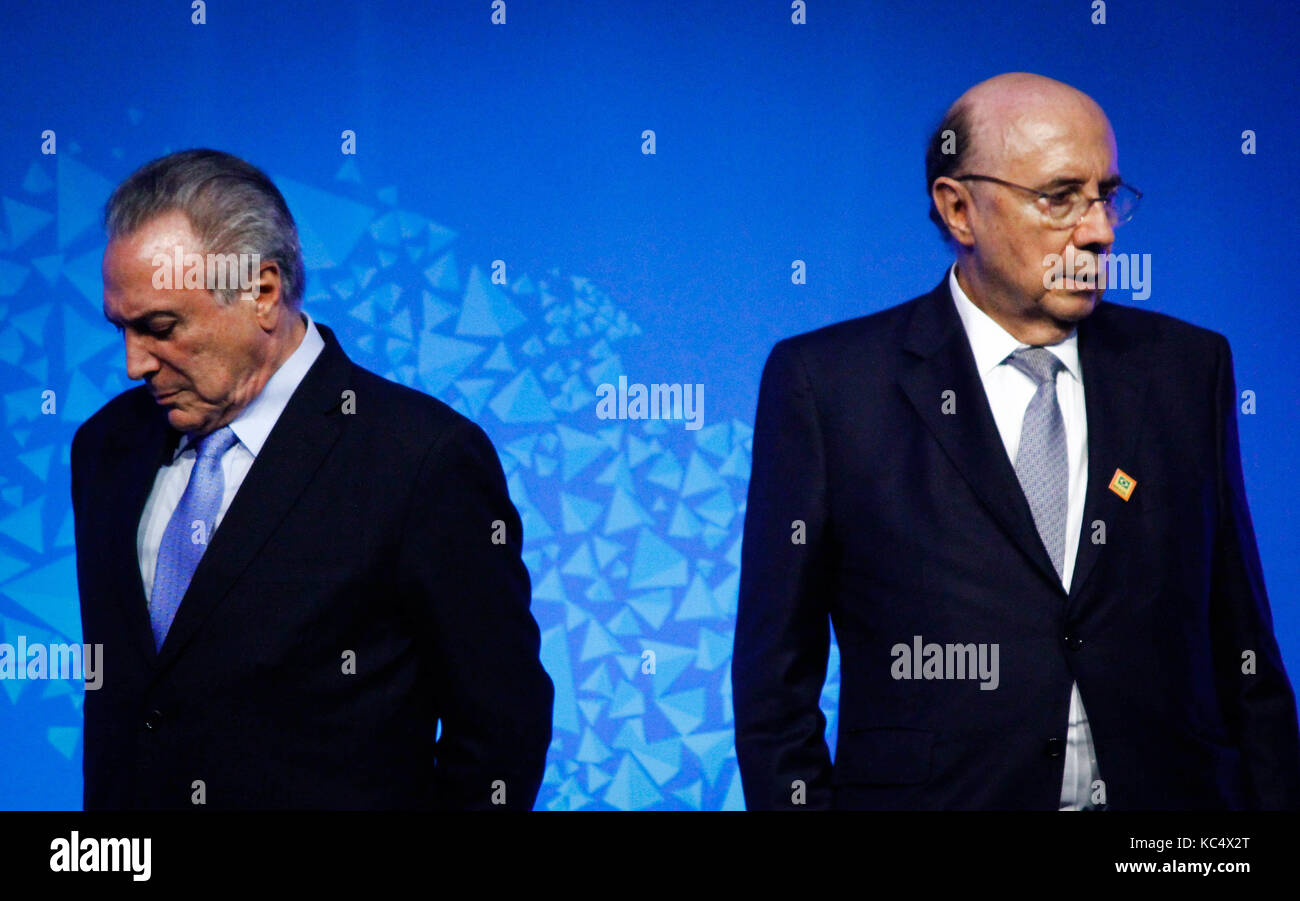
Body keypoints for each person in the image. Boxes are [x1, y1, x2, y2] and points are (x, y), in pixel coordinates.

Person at [732, 73, 1300, 810]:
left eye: (1106, 195)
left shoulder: (1187, 370)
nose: (1098, 230)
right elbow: (774, 685)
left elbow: (1242, 644)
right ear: (958, 207)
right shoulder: (829, 384)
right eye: (1060, 198)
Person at [72, 149, 553, 810]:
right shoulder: (105, 449)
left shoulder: (420, 458)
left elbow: (502, 729)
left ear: (262, 291)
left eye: (160, 327)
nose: (133, 363)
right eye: (121, 328)